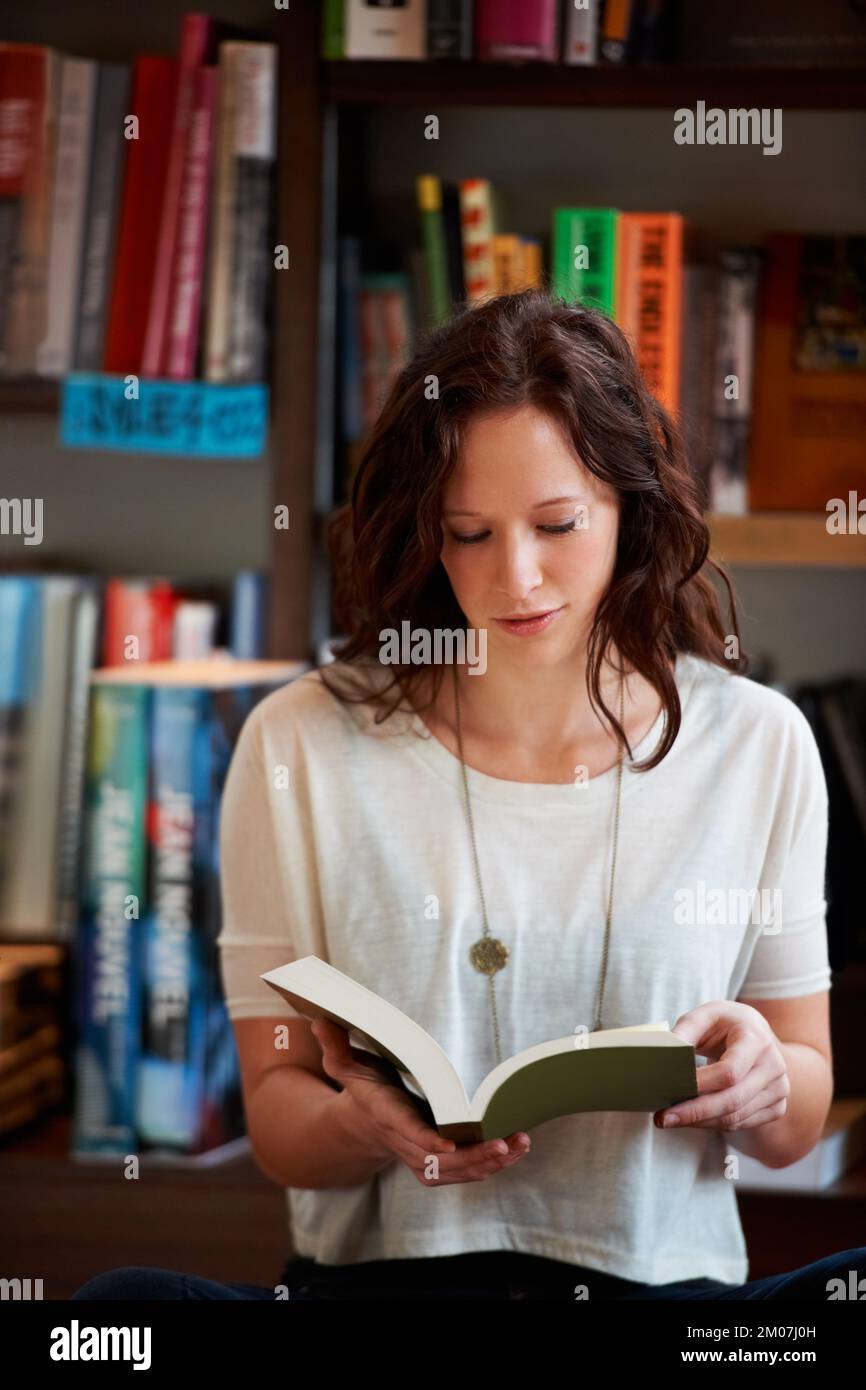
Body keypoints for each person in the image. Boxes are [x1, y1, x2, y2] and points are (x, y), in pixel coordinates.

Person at [72, 289, 865, 1302]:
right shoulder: (302, 740)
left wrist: (761, 1077)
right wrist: (356, 1129)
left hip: (662, 1303)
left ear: (632, 506)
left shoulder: (756, 743)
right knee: (114, 1317)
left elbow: (797, 1109)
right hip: (388, 1294)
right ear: (422, 531)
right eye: (468, 533)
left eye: (555, 523)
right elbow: (276, 1113)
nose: (516, 577)